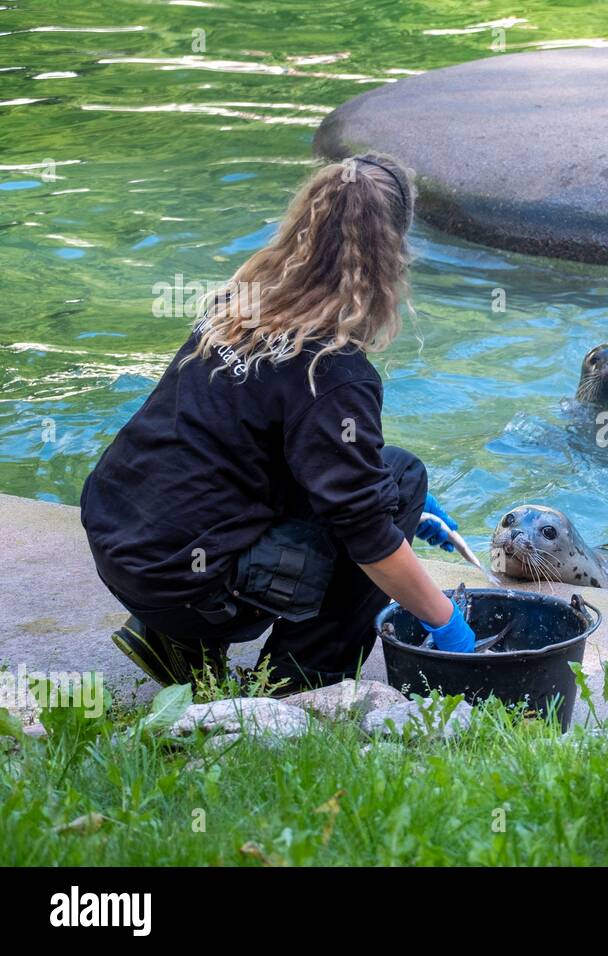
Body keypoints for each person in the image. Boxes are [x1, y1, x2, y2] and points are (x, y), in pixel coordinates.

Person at [80, 153, 475, 693]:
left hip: (119, 541)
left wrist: (372, 485)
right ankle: (300, 682)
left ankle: (173, 641)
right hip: (187, 586)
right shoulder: (333, 372)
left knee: (388, 472)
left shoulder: (235, 306)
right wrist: (445, 622)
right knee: (399, 486)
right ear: (393, 256)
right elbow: (367, 535)